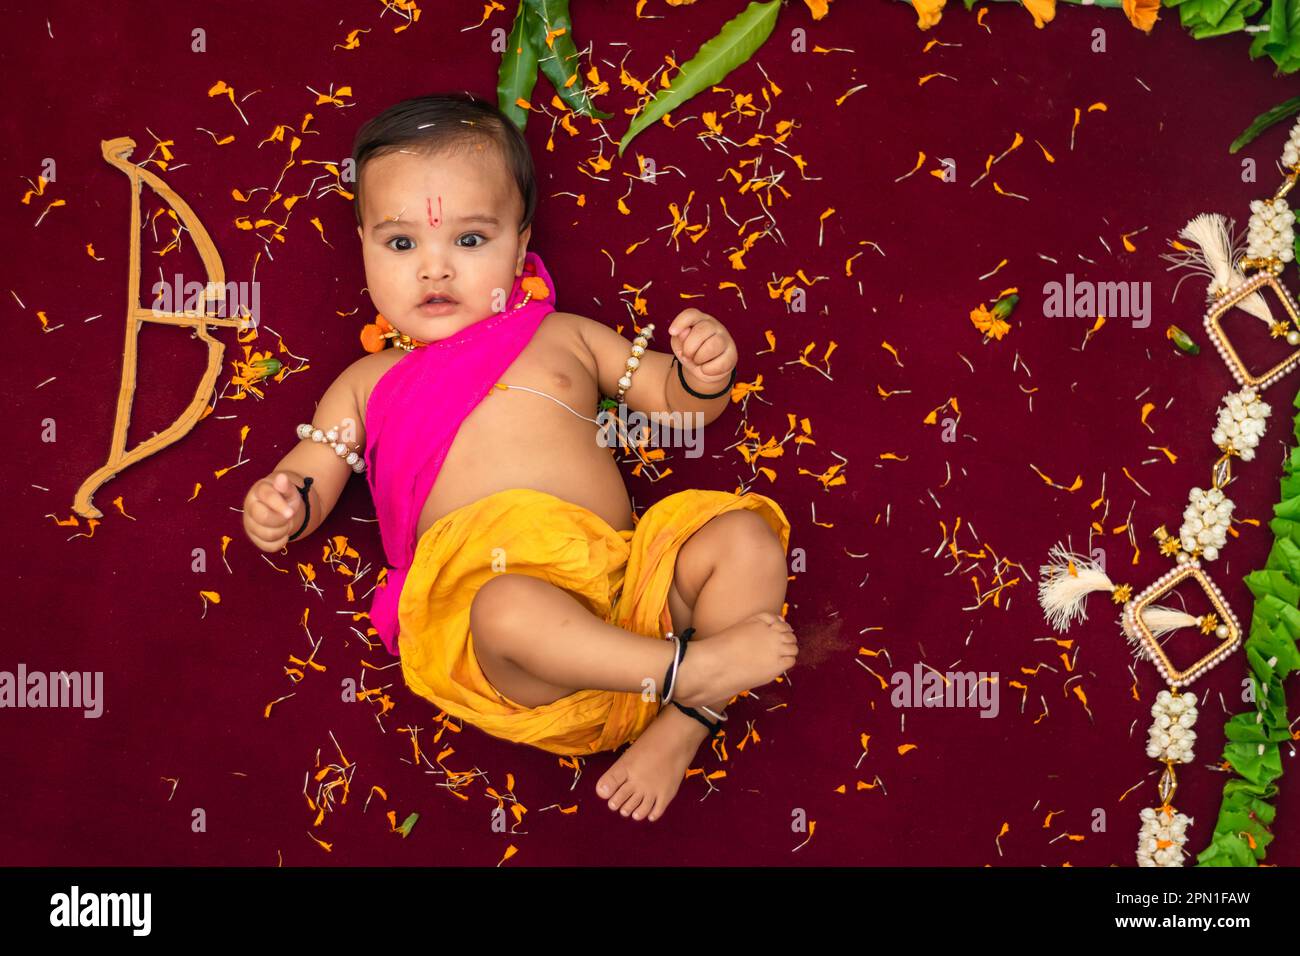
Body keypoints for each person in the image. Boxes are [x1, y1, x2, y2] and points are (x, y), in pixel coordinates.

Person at [242, 92, 797, 823]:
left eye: (469, 241)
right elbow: (312, 477)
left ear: (519, 240)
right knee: (509, 606)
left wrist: (703, 373)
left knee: (745, 538)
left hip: (628, 596)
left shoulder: (562, 335)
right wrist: (282, 503)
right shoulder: (365, 384)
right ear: (363, 248)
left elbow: (675, 400)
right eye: (401, 244)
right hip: (508, 639)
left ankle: (683, 722)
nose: (435, 270)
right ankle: (691, 678)